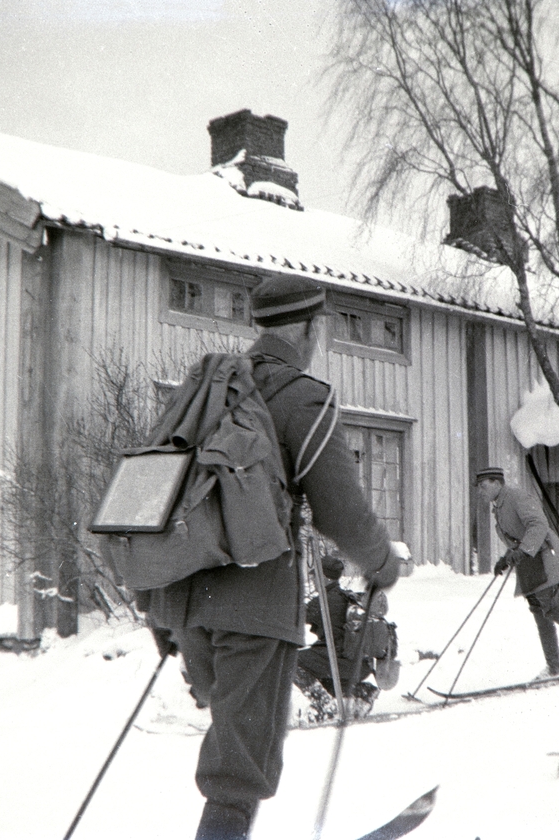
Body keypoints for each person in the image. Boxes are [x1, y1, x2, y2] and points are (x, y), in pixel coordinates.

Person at [135, 276, 406, 840]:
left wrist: (156, 604)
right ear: (312, 328)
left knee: (233, 747)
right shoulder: (302, 396)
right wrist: (382, 563)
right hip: (253, 607)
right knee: (241, 767)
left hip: (184, 598)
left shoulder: (209, 391)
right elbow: (341, 512)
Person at [475, 466, 559, 679]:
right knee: (541, 614)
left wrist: (522, 550)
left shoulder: (517, 497)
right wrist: (507, 558)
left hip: (547, 559)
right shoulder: (499, 508)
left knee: (553, 608)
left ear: (497, 482)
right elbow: (517, 537)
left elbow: (538, 525)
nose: (479, 491)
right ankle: (554, 666)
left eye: (483, 486)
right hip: (531, 566)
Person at [293, 554, 396, 720]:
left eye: (314, 576)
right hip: (361, 665)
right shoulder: (345, 596)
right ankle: (362, 692)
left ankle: (324, 703)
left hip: (342, 662)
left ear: (324, 577)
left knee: (292, 661)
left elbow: (294, 618)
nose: (312, 580)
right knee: (316, 661)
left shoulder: (323, 602)